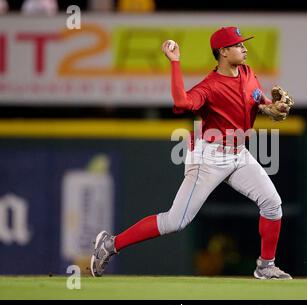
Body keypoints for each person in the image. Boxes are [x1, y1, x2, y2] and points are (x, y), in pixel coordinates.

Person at [90, 26, 292, 280]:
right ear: (223, 52)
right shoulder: (210, 86)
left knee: (272, 204)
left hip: (239, 153)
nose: (244, 48)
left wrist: (272, 107)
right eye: (239, 45)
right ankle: (110, 244)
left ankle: (266, 266)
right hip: (210, 158)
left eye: (243, 43)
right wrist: (175, 63)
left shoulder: (248, 72)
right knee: (175, 221)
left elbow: (257, 100)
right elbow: (181, 102)